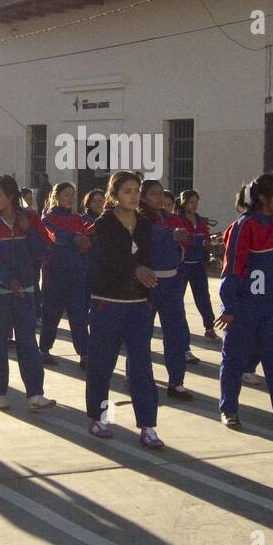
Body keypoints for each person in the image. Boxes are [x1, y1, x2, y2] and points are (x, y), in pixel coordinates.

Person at [215, 173, 273, 432]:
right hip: (246, 306)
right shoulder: (244, 226)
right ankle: (229, 409)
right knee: (234, 359)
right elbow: (231, 269)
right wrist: (228, 307)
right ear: (263, 198)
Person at [85, 171, 164, 448]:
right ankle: (100, 417)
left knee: (142, 365)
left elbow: (146, 258)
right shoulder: (104, 224)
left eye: (136, 190)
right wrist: (137, 269)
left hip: (138, 306)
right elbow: (111, 258)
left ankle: (148, 425)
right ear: (114, 194)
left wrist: (148, 290)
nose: (133, 195)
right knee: (103, 364)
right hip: (108, 303)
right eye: (127, 190)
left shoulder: (144, 224)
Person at [0, 173, 56, 411]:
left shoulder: (31, 218)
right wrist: (8, 281)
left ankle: (35, 393)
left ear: (11, 195)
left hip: (26, 290)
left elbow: (44, 251)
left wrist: (29, 231)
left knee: (27, 342)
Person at [129, 179, 194, 400]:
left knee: (174, 333)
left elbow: (185, 238)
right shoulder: (138, 219)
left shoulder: (172, 218)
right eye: (153, 194)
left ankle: (176, 382)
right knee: (140, 334)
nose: (159, 198)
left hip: (172, 283)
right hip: (146, 283)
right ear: (144, 197)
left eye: (161, 194)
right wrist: (171, 234)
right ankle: (136, 376)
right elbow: (149, 235)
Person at [38, 181, 91, 368]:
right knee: (51, 316)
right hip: (54, 274)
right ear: (57, 196)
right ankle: (44, 350)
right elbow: (54, 236)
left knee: (79, 316)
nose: (70, 198)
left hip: (76, 274)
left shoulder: (77, 218)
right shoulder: (47, 218)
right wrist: (73, 237)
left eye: (72, 194)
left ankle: (85, 354)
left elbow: (85, 240)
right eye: (66, 194)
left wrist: (85, 242)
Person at [175, 189, 218, 346]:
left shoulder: (200, 220)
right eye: (191, 202)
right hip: (182, 266)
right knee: (178, 299)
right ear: (184, 202)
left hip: (198, 265)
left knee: (202, 297)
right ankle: (179, 327)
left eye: (196, 202)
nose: (194, 205)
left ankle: (209, 326)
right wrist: (197, 241)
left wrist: (207, 246)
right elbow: (181, 240)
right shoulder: (178, 220)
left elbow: (206, 237)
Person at [82, 187, 105, 314]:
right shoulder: (82, 220)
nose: (98, 204)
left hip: (105, 268)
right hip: (87, 267)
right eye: (94, 201)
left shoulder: (110, 219)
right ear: (88, 203)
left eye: (101, 200)